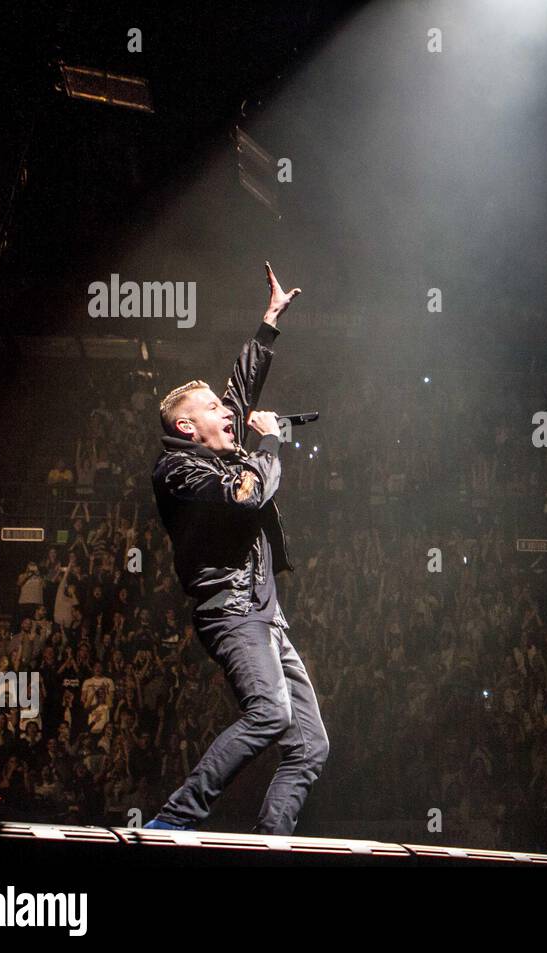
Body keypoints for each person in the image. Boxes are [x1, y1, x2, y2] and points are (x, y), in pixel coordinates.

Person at [144, 262, 329, 836]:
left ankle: (273, 840)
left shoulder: (218, 449)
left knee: (310, 745)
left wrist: (269, 322)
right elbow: (248, 496)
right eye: (214, 413)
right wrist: (271, 442)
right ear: (184, 427)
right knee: (270, 714)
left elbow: (240, 389)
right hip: (231, 613)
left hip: (266, 614)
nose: (229, 413)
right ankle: (172, 822)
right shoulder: (178, 470)